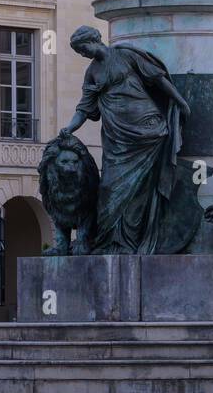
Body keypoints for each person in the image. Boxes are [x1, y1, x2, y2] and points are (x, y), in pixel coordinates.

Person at [57, 26, 198, 254]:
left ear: (94, 40)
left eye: (82, 49)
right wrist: (70, 128)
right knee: (110, 188)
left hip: (146, 127)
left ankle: (129, 242)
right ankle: (115, 242)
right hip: (117, 136)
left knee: (141, 188)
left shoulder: (126, 55)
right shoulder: (92, 72)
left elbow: (158, 79)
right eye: (79, 52)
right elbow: (84, 108)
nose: (83, 54)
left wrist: (179, 101)